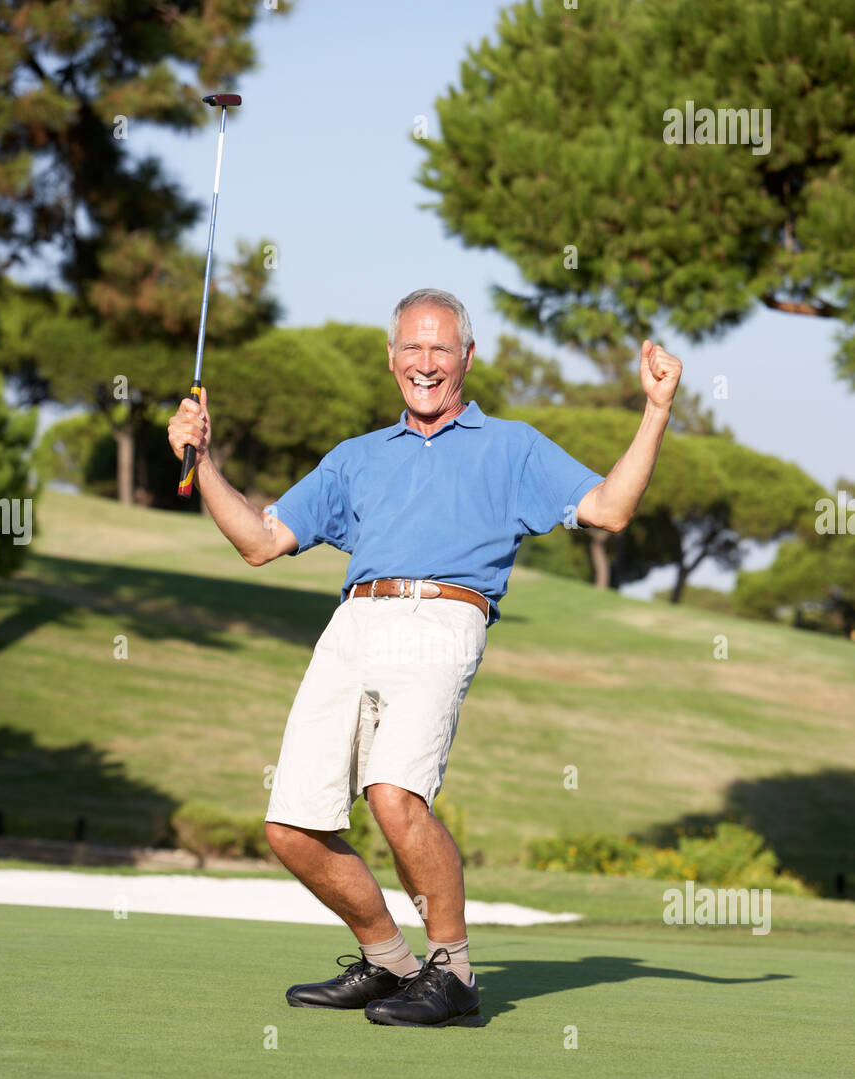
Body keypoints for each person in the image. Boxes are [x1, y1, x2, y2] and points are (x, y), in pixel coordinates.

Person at [167, 288, 682, 1028]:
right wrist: (203, 460)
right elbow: (260, 540)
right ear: (392, 358)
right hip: (352, 622)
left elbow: (610, 509)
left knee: (393, 796)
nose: (427, 364)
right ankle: (390, 963)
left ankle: (454, 973)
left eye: (442, 348)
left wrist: (656, 409)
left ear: (467, 358)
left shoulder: (513, 446)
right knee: (291, 827)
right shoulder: (355, 458)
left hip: (444, 617)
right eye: (413, 347)